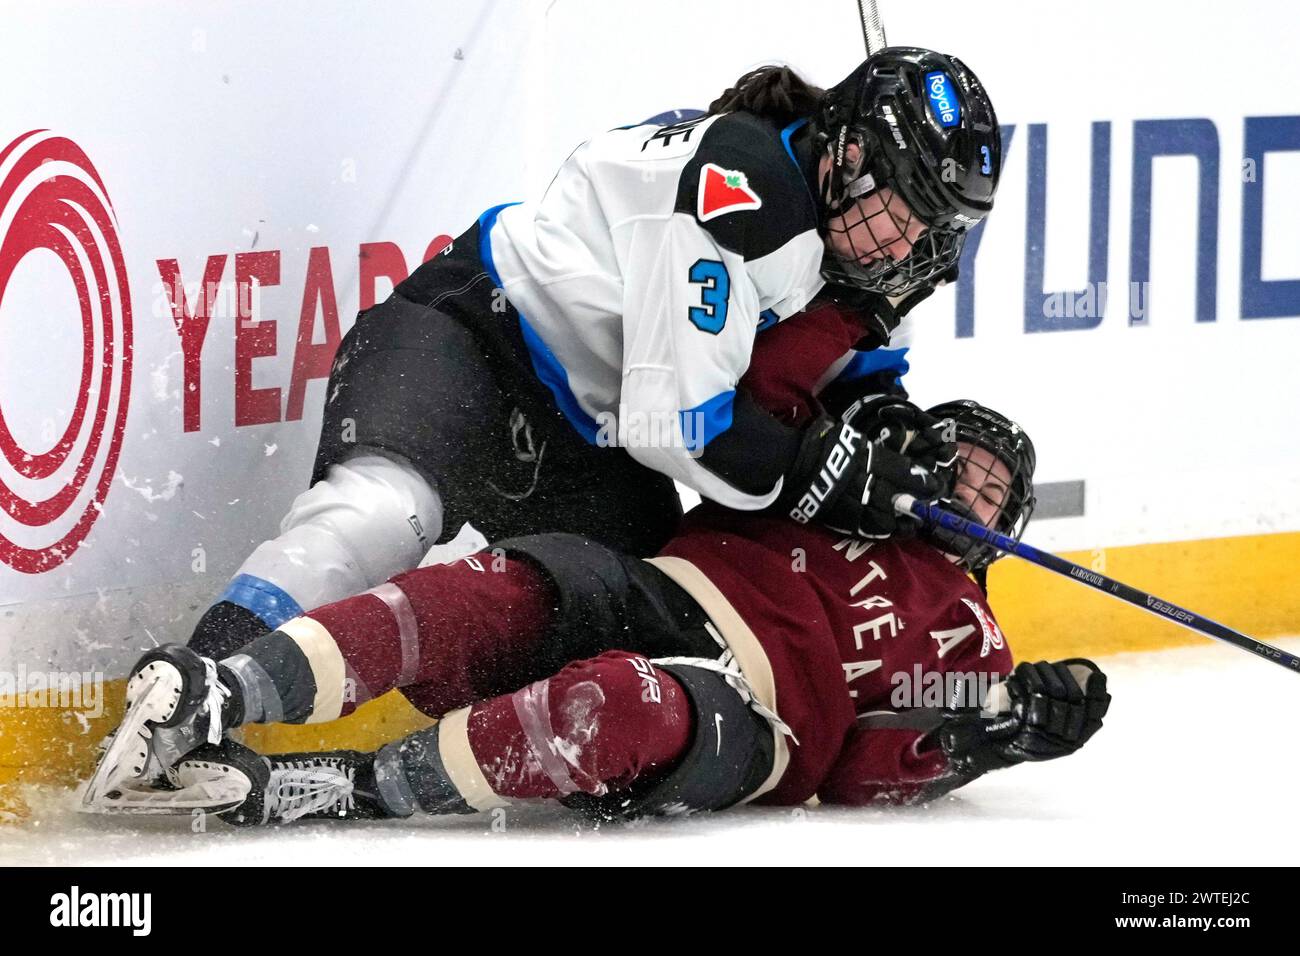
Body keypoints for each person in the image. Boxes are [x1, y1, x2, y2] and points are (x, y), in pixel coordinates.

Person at [186, 47, 1004, 666]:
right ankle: (193, 687)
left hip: (581, 435)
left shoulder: (857, 244)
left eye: (934, 231)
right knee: (379, 514)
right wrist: (829, 469)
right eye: (902, 209)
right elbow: (677, 427)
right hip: (474, 339)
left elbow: (841, 386)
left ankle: (414, 744)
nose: (906, 246)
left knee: (639, 642)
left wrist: (894, 445)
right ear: (850, 155)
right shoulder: (744, 186)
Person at [83, 392, 1109, 821]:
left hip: (762, 722)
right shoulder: (839, 480)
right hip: (660, 584)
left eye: (990, 494)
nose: (966, 496)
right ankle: (230, 685)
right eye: (957, 468)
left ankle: (339, 788)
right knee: (492, 591)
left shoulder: (970, 631)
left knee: (618, 706)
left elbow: (873, 758)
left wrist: (997, 734)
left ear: (1009, 527)